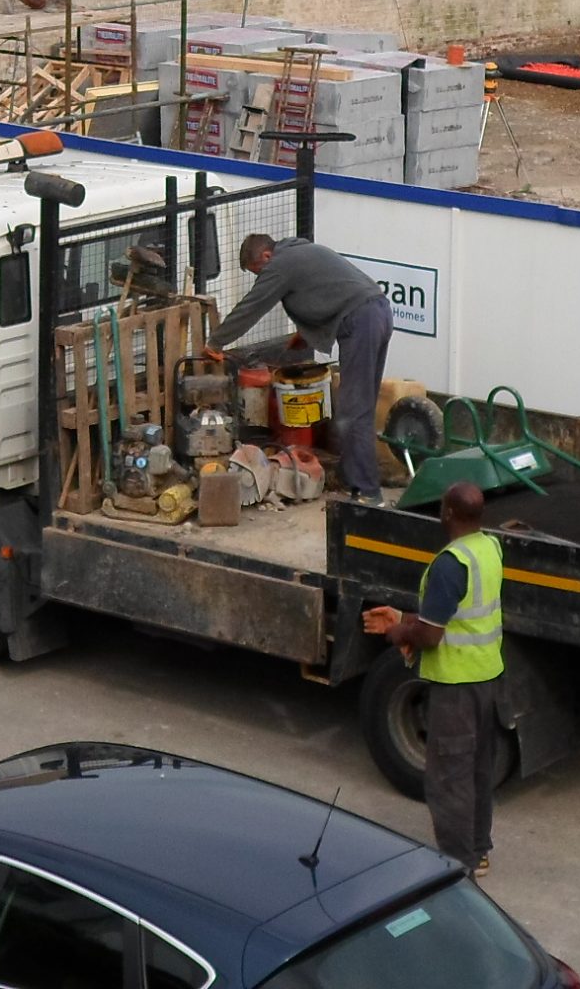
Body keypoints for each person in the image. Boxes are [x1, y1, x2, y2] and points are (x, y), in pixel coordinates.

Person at [360, 481, 506, 877]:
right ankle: (479, 849)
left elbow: (431, 635)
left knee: (449, 778)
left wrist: (397, 634)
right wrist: (406, 617)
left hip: (455, 688)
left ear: (448, 514)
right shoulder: (489, 548)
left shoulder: (449, 563)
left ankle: (460, 863)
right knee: (477, 771)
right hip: (485, 679)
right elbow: (458, 617)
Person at [210, 233, 391, 503]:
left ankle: (367, 493)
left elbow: (252, 306)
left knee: (355, 412)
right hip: (376, 314)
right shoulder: (299, 253)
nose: (260, 278)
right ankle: (354, 480)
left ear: (266, 257)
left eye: (256, 271)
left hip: (361, 323)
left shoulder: (281, 264)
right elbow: (326, 292)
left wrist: (216, 342)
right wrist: (305, 335)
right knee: (359, 407)